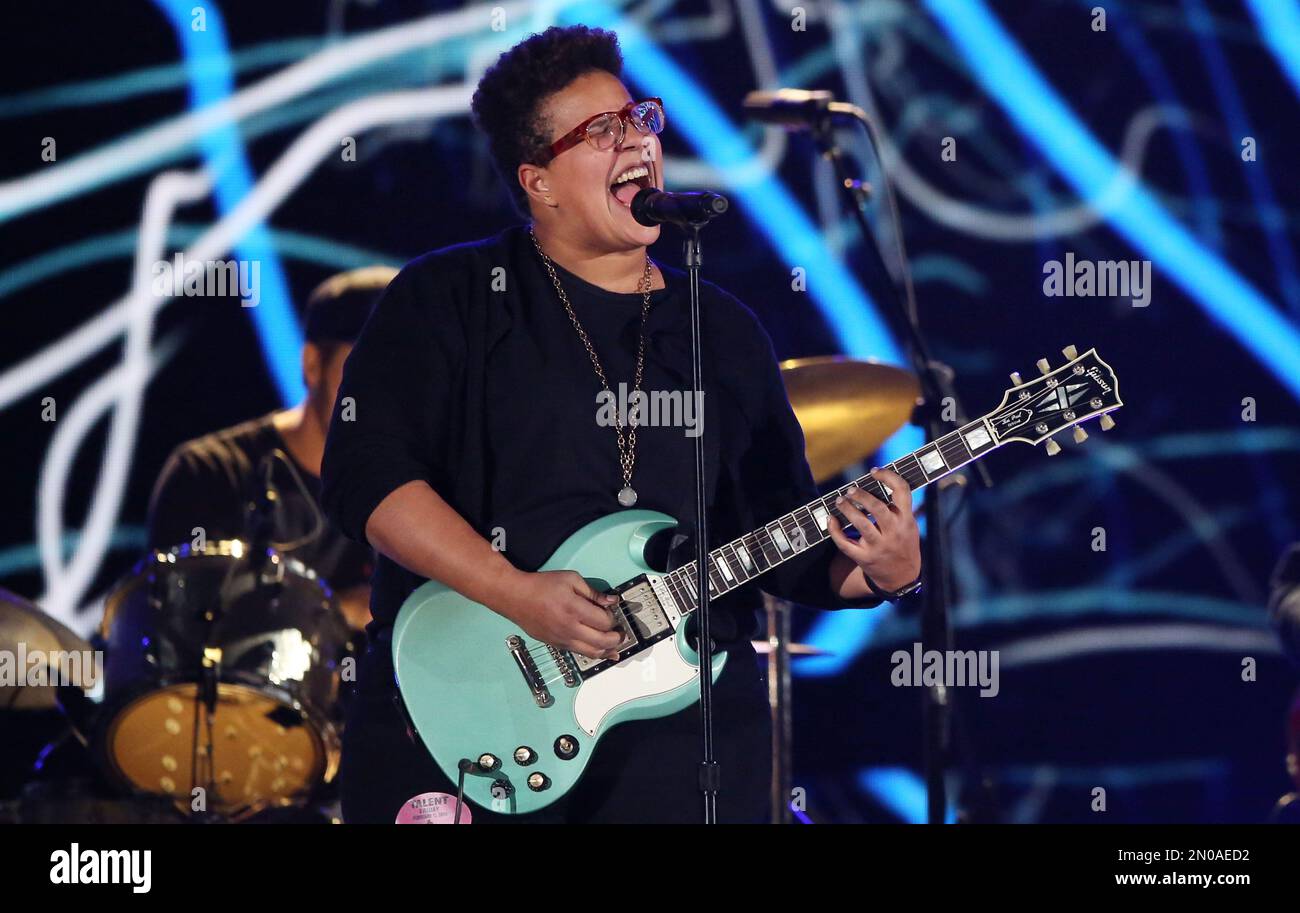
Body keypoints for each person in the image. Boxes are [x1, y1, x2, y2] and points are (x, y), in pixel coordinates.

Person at [320, 25, 922, 824]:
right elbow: (367, 476)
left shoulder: (722, 329)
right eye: (600, 131)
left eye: (639, 118)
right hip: (473, 716)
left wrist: (888, 568)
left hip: (679, 755)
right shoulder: (448, 299)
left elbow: (779, 542)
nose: (635, 139)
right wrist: (517, 592)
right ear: (539, 180)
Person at [148, 266, 396, 631]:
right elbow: (182, 625)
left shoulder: (422, 486)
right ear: (313, 364)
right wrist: (330, 612)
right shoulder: (212, 473)